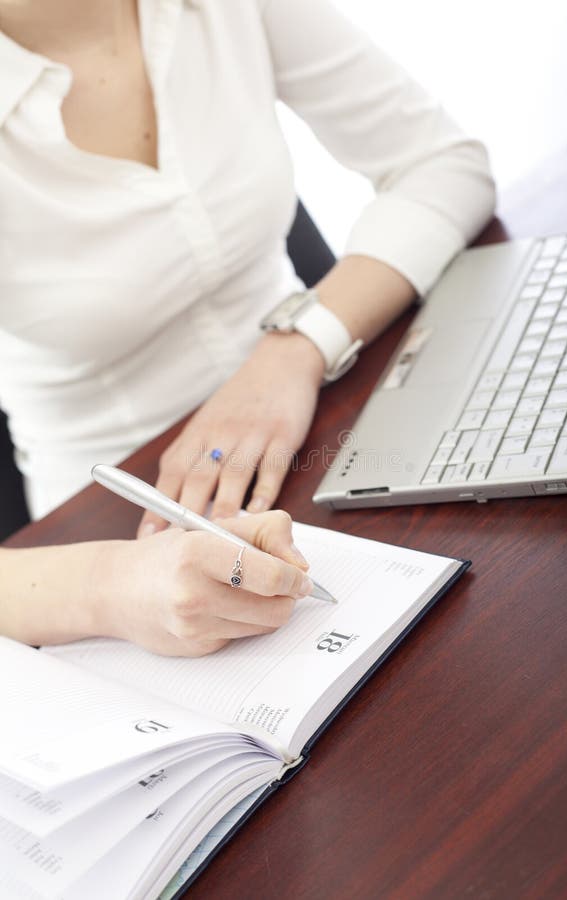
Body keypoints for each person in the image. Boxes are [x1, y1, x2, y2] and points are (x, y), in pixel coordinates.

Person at [0, 0, 495, 655]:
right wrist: (113, 585)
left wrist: (297, 348)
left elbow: (440, 162)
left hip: (319, 412)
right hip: (107, 533)